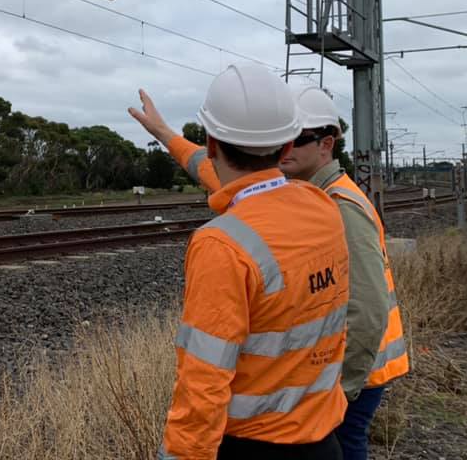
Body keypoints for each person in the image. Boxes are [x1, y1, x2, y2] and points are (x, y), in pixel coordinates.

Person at [161, 84, 409, 460]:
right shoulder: (313, 202)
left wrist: (335, 395)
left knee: (352, 442)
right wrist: (165, 135)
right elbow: (232, 181)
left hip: (348, 378)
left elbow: (369, 310)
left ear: (326, 143)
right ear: (284, 146)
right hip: (315, 400)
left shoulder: (336, 207)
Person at [130, 63, 350, 460]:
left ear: (212, 143)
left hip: (255, 447)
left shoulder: (222, 245)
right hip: (325, 441)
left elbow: (204, 380)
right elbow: (242, 185)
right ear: (285, 148)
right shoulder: (323, 207)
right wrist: (165, 135)